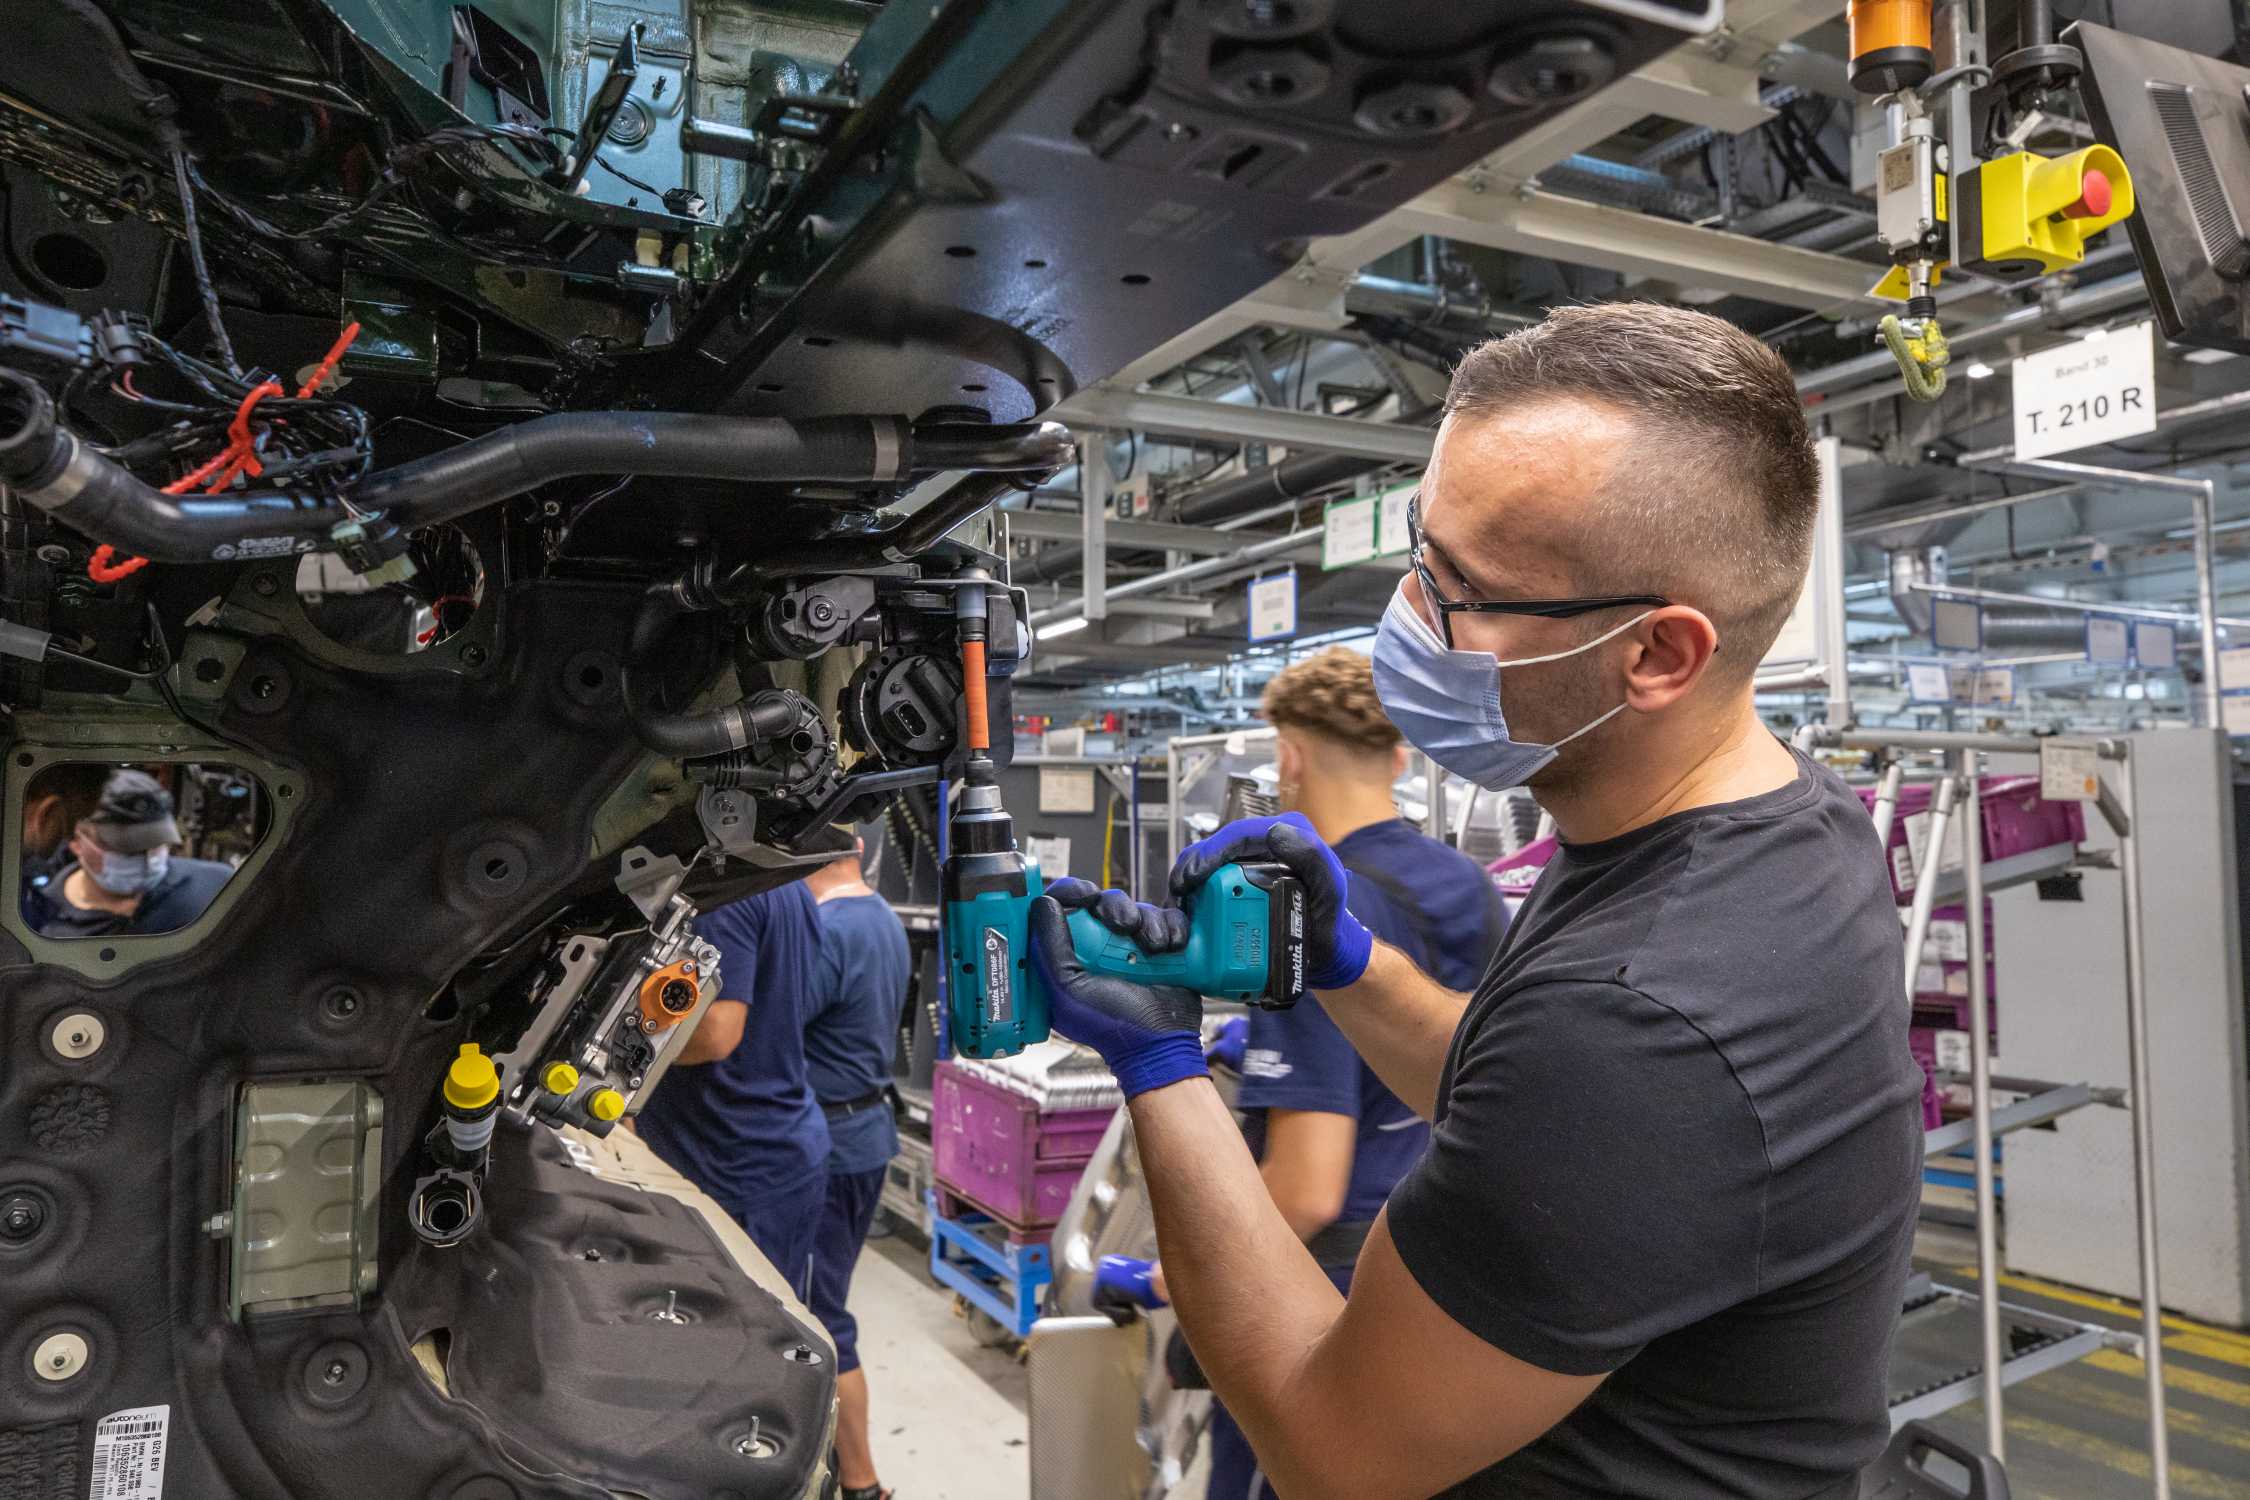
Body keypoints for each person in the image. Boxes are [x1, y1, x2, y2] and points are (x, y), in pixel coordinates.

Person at [1030, 304, 1923, 1499]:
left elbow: (1329, 1444)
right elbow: (1515, 1087)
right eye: (1419, 548)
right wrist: (1340, 964)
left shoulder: (1646, 1014)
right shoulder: (1779, 826)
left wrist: (1159, 1072)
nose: (1409, 614)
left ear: (1658, 653)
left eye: (1466, 588)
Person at [1197, 648, 1504, 1500]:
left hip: (1327, 1302)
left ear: (1288, 756)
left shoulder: (1299, 912)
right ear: (1400, 755)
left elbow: (1306, 1191)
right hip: (1456, 1283)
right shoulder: (1472, 886)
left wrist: (1160, 1283)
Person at [635, 880, 830, 1301]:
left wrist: (627, 1043)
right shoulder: (792, 884)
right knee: (774, 1333)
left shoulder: (724, 895)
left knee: (738, 1339)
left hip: (731, 1162)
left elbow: (715, 1034)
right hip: (772, 1148)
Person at [800, 836, 911, 1500]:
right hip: (866, 1132)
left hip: (834, 1145)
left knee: (818, 1317)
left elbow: (767, 1028)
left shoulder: (826, 931)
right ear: (861, 847)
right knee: (828, 1304)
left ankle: (862, 1484)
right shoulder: (881, 916)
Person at [23, 768, 235, 938]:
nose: (148, 860)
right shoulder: (40, 923)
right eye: (128, 849)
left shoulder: (220, 887)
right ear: (77, 840)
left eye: (156, 844)